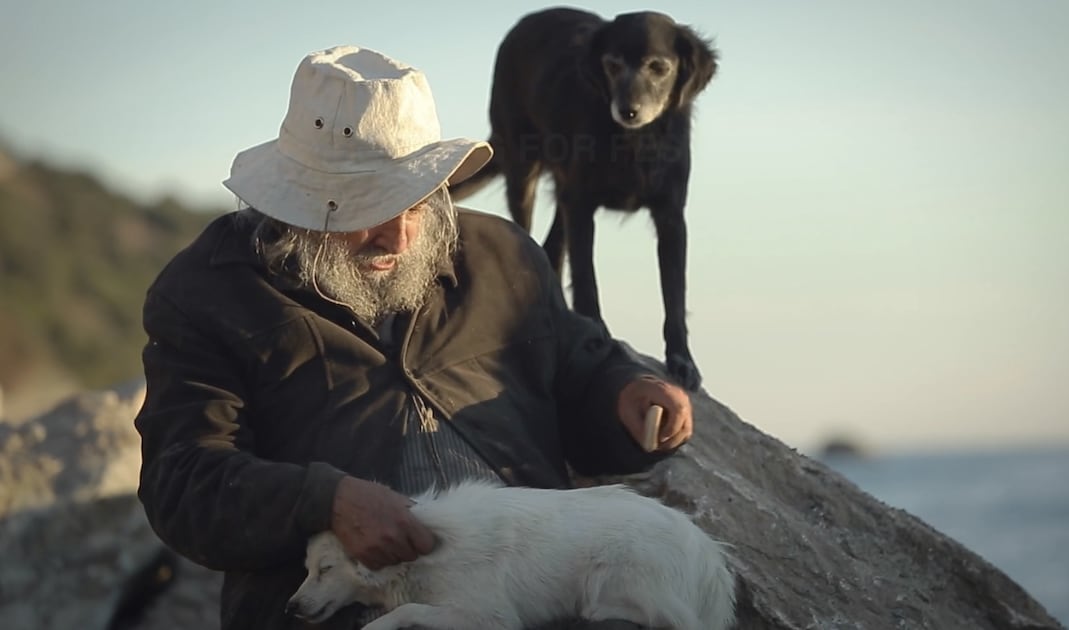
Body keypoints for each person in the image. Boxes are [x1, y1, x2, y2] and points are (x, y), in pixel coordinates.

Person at [134, 45, 694, 630]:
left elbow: (577, 369)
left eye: (418, 200)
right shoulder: (208, 293)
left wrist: (625, 395)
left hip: (533, 596)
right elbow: (182, 481)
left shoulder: (500, 257)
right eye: (371, 207)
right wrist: (324, 501)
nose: (400, 237)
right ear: (300, 201)